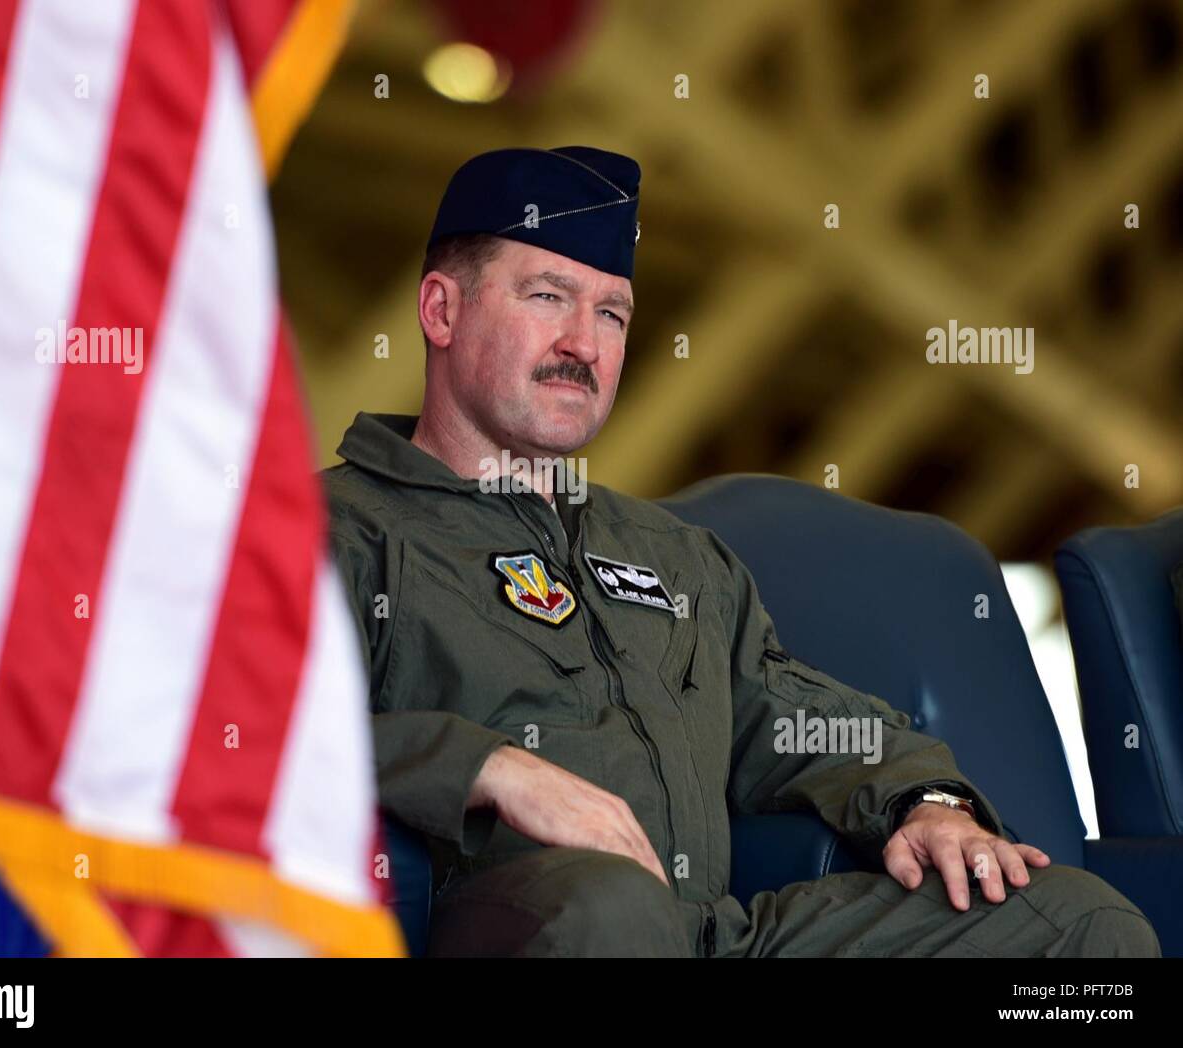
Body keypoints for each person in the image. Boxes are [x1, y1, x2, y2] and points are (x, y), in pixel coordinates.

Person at [323, 146, 1160, 958]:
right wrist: (490, 768)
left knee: (1075, 923)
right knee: (611, 910)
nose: (584, 343)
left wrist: (926, 800)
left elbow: (795, 718)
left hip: (714, 936)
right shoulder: (333, 530)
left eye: (611, 314)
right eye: (548, 296)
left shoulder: (676, 558)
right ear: (442, 311)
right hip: (502, 929)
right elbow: (266, 739)